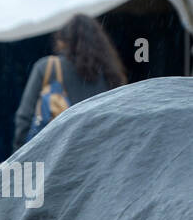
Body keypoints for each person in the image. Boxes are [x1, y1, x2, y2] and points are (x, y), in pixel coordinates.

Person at [13, 13, 127, 149]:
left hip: (58, 155)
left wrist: (20, 154)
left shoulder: (48, 68)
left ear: (62, 40)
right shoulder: (111, 75)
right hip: (102, 155)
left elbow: (24, 118)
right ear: (100, 41)